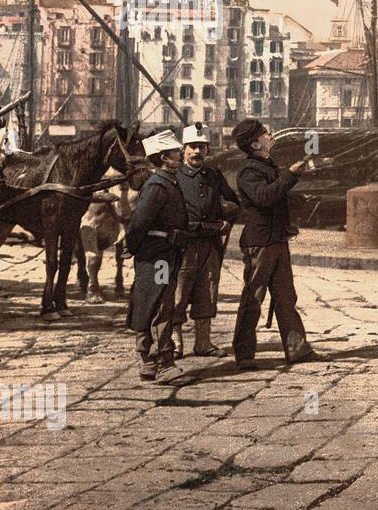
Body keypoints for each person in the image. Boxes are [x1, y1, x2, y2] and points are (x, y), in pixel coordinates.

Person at [230, 118, 317, 369]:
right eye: (266, 133)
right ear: (255, 143)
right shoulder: (249, 171)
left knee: (286, 296)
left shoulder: (266, 165)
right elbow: (264, 197)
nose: (271, 135)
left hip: (276, 239)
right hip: (260, 242)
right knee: (253, 298)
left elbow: (277, 195)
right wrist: (290, 175)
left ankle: (297, 350)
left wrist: (299, 196)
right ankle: (244, 354)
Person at [125, 129, 188, 384]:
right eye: (175, 152)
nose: (180, 154)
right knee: (161, 304)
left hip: (163, 254)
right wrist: (134, 247)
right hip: (159, 256)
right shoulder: (157, 186)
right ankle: (164, 363)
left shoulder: (167, 182)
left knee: (151, 303)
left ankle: (148, 360)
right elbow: (138, 224)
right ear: (163, 158)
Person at [173, 122, 239, 358]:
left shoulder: (214, 175)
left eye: (202, 147)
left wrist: (228, 220)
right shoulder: (175, 175)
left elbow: (232, 203)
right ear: (183, 149)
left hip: (210, 245)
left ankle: (203, 342)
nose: (197, 152)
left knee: (207, 292)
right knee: (178, 294)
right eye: (192, 147)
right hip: (183, 245)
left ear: (208, 150)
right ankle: (175, 343)